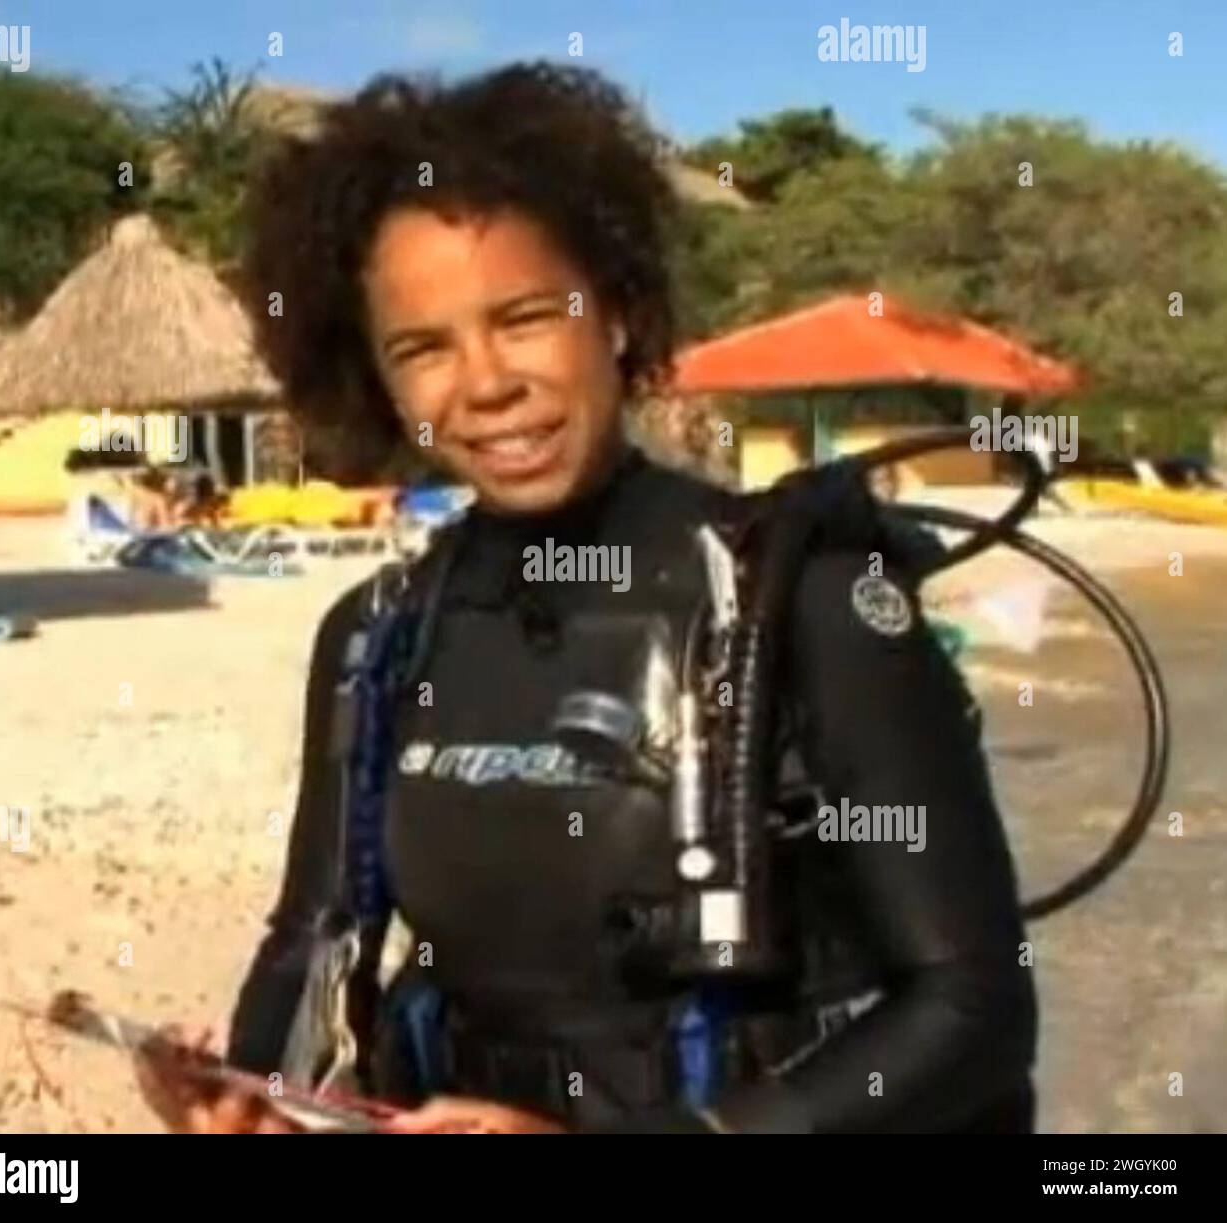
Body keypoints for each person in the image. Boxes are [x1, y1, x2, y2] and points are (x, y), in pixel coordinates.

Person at [136, 62, 1035, 1135]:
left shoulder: (809, 603)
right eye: (422, 347)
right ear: (374, 374)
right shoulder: (378, 639)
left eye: (523, 318)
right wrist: (252, 1098)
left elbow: (973, 1009)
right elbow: (312, 937)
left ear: (615, 312)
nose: (483, 382)